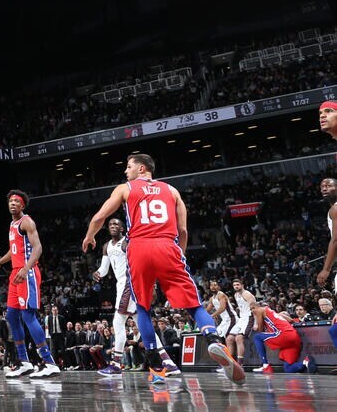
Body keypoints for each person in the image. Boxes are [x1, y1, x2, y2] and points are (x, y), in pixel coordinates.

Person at [81, 153, 245, 384]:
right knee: (194, 305)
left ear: (141, 169)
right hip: (168, 246)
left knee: (143, 309)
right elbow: (184, 230)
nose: (125, 171)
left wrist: (89, 236)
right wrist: (180, 254)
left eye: (128, 167)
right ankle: (214, 341)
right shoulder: (172, 191)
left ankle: (157, 368)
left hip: (139, 248)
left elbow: (100, 216)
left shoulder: (125, 188)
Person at [0, 190, 61, 378]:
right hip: (15, 273)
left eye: (16, 201)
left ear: (23, 205)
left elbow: (38, 248)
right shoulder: (12, 224)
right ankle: (24, 362)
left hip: (26, 273)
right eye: (10, 200)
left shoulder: (27, 221)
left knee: (28, 316)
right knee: (11, 317)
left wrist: (26, 268)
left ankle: (49, 362)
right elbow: (14, 251)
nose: (12, 203)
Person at [92, 218, 179, 376]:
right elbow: (104, 269)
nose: (113, 226)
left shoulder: (128, 243)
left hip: (129, 283)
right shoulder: (106, 246)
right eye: (110, 224)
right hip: (120, 286)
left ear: (122, 229)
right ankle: (168, 362)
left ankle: (116, 364)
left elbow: (142, 263)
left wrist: (151, 284)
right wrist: (98, 273)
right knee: (143, 324)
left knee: (118, 322)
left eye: (116, 224)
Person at [249, 302, 315, 374]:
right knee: (288, 368)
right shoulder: (276, 314)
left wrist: (256, 323)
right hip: (293, 337)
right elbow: (291, 320)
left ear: (259, 306)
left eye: (253, 308)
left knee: (257, 337)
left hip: (283, 334)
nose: (252, 311)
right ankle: (305, 362)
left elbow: (260, 330)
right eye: (251, 309)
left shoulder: (260, 310)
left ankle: (265, 366)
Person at [316, 175, 337, 291]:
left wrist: (326, 269)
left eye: (329, 186)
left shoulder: (335, 209)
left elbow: (336, 240)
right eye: (322, 187)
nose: (324, 189)